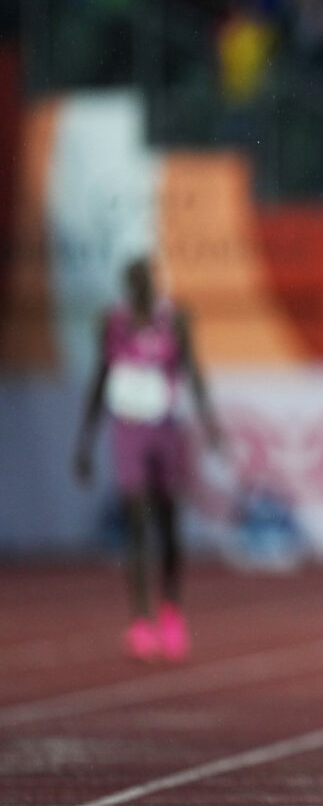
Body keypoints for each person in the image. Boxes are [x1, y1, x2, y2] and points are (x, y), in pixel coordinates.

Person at [74, 255, 222, 663]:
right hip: (129, 431)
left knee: (168, 524)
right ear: (127, 286)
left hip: (165, 429)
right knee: (137, 521)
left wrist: (211, 425)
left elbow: (193, 373)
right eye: (135, 281)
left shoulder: (174, 319)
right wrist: (85, 440)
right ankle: (140, 619)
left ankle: (171, 610)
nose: (142, 287)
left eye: (147, 281)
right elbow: (100, 377)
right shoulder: (112, 322)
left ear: (155, 284)